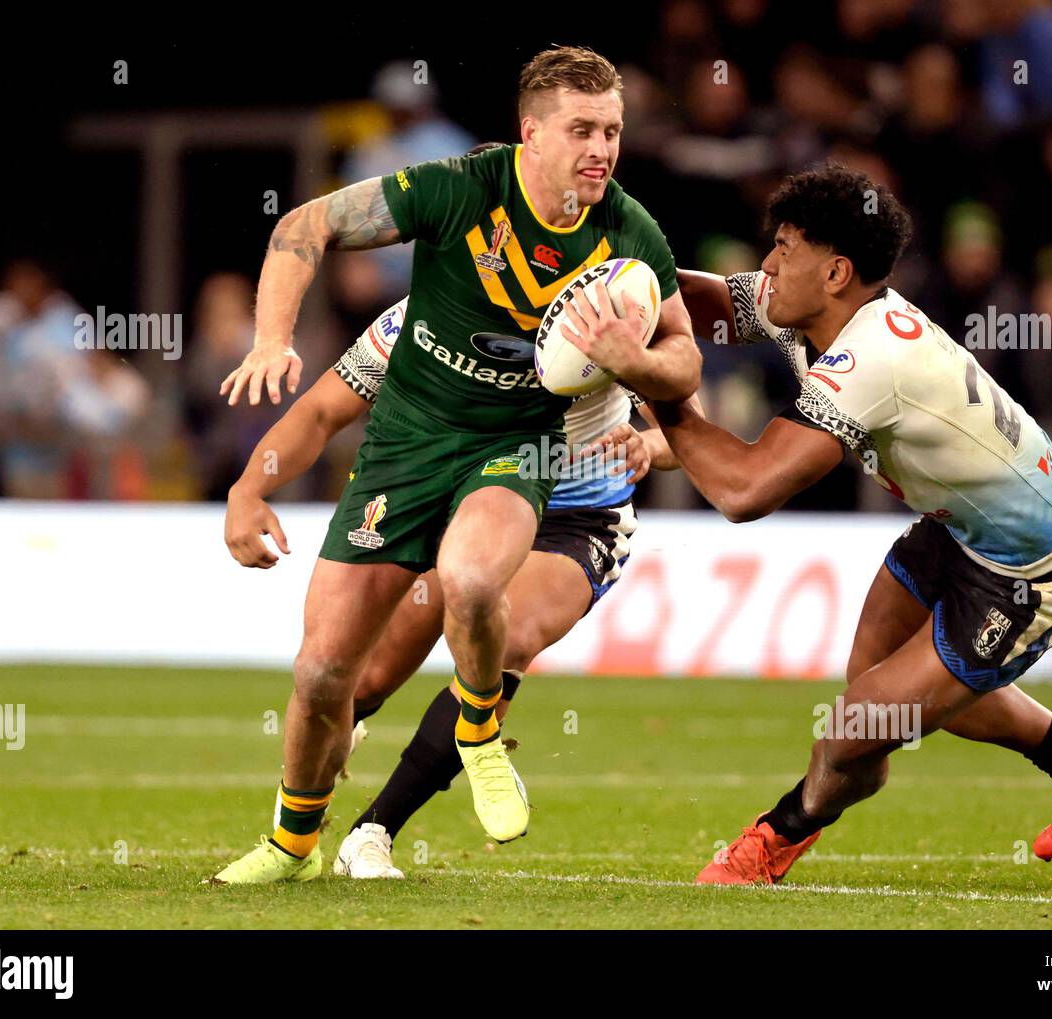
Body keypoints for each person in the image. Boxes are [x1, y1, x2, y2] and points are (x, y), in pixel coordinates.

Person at [211, 46, 700, 884]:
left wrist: (639, 378)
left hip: (552, 476)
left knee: (475, 590)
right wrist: (252, 469)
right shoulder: (440, 242)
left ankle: (405, 800)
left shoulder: (627, 237)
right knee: (333, 675)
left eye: (612, 131)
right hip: (414, 461)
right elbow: (309, 266)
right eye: (582, 129)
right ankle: (297, 833)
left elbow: (685, 361)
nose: (602, 149)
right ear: (529, 134)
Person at [658, 164, 1052, 885]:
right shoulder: (823, 308)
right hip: (959, 526)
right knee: (873, 718)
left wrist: (662, 399)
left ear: (834, 271)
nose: (765, 263)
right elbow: (703, 305)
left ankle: (774, 838)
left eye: (784, 247)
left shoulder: (869, 358)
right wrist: (616, 275)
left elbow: (745, 490)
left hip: (1039, 566)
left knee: (854, 731)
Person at [226, 293, 674, 877]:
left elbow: (686, 434)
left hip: (575, 516)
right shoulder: (422, 314)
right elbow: (321, 410)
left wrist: (647, 444)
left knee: (507, 636)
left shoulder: (607, 314)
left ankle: (374, 832)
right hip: (470, 500)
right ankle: (299, 830)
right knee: (362, 675)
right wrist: (247, 488)